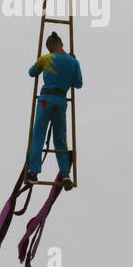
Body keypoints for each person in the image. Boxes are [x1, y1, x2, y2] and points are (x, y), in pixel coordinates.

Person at [27, 31, 82, 190]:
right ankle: (65, 173)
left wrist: (41, 61)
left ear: (51, 45)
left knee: (38, 135)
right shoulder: (73, 62)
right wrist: (72, 61)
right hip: (61, 102)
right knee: (61, 139)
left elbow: (32, 72)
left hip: (45, 100)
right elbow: (78, 84)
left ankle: (33, 172)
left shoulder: (46, 58)